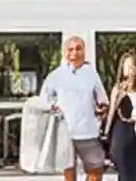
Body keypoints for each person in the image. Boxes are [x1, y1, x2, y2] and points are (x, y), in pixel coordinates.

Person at [39, 35, 110, 181]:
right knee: (69, 174)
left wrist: (102, 108)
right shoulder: (55, 76)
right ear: (64, 52)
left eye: (78, 48)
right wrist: (52, 107)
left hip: (88, 130)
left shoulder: (91, 73)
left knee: (96, 171)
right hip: (65, 132)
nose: (74, 52)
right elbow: (44, 100)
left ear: (84, 51)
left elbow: (102, 98)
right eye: (70, 49)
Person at [104, 53, 136, 181]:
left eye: (130, 65)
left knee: (133, 172)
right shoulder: (119, 88)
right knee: (128, 172)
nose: (128, 69)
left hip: (133, 134)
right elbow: (111, 114)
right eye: (126, 65)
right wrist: (106, 135)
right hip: (123, 134)